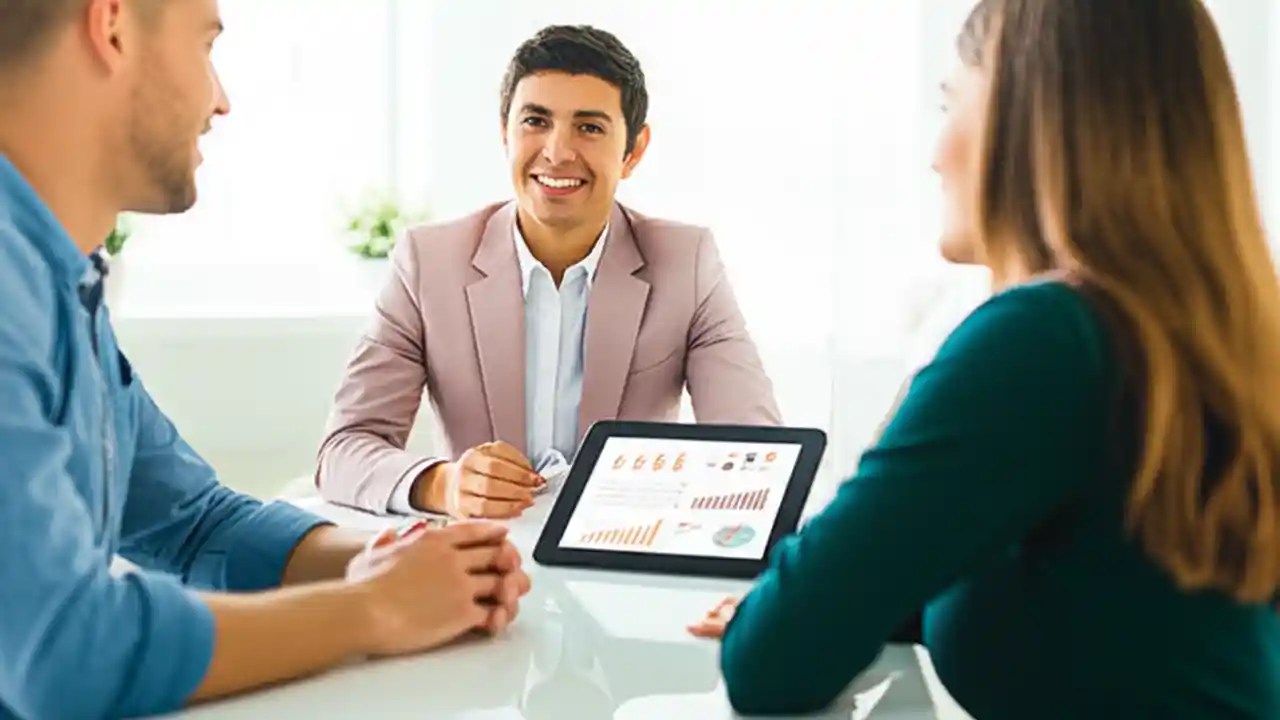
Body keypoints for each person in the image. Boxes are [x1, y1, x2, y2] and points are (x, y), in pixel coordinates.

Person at [689, 0, 1280, 717]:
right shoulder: (1205, 334)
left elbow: (769, 663)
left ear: (1030, 120)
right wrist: (831, 609)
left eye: (951, 102)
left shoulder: (1044, 338)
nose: (935, 152)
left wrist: (801, 610)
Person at [0, 1, 528, 717]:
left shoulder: (56, 280)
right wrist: (372, 609)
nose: (221, 100)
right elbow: (65, 652)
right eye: (205, 44)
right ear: (113, 25)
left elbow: (192, 521)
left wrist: (420, 565)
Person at [316, 24, 781, 520]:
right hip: (475, 559)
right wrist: (442, 484)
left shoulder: (686, 262)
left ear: (634, 150)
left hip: (618, 556)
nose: (557, 152)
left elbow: (756, 452)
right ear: (505, 133)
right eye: (536, 121)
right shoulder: (427, 262)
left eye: (590, 127)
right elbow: (345, 448)